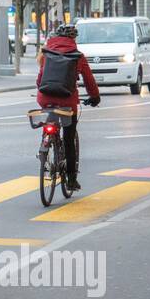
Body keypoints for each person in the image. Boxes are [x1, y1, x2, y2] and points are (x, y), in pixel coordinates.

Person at [35, 23, 101, 192]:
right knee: (69, 139)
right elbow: (89, 80)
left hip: (46, 99)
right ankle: (71, 180)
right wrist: (95, 97)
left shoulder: (46, 53)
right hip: (67, 102)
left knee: (50, 121)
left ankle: (46, 143)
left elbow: (40, 80)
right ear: (73, 39)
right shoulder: (78, 56)